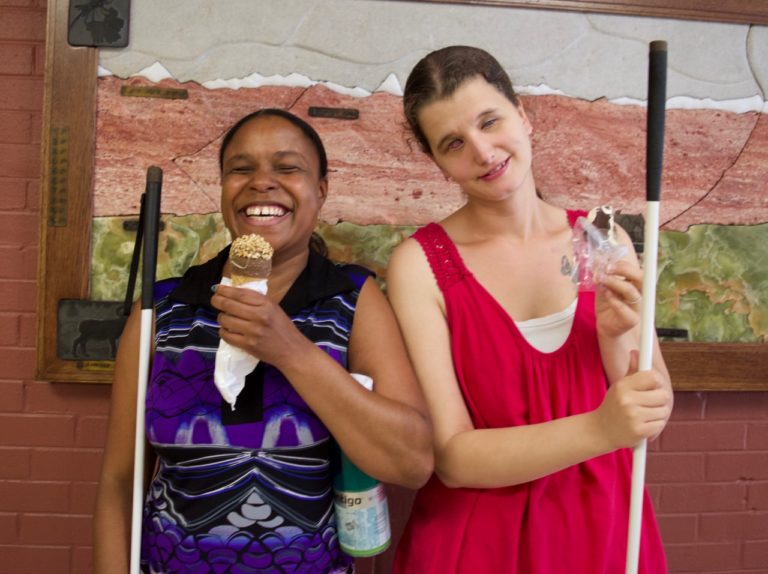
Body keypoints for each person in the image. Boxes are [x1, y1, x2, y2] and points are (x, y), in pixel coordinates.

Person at [93, 108, 433, 573]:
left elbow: (411, 463)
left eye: (287, 168)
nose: (261, 182)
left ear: (321, 190)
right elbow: (120, 483)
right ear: (223, 188)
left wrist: (292, 352)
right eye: (241, 169)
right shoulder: (163, 309)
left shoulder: (352, 299)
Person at [387, 46, 674, 573]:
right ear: (438, 163)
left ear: (523, 115)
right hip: (478, 546)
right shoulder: (419, 265)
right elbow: (453, 459)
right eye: (453, 143)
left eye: (489, 121)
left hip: (605, 532)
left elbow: (650, 414)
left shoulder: (602, 238)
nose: (482, 151)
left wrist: (613, 337)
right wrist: (601, 430)